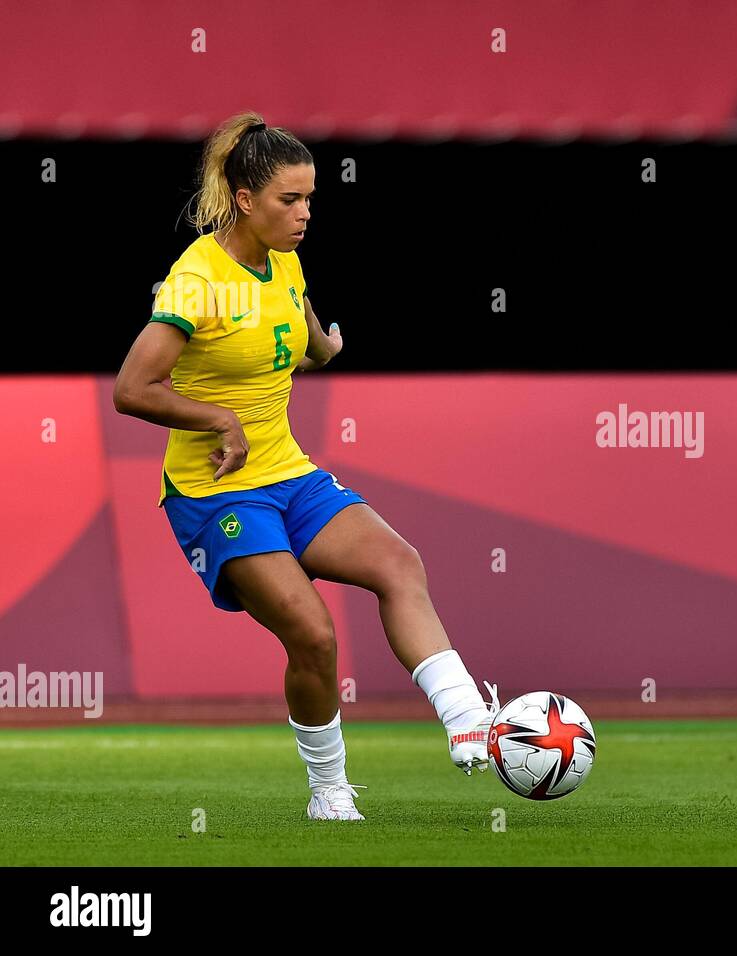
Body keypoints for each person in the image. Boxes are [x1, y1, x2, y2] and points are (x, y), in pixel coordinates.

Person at [113, 110, 498, 821]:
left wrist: (327, 347)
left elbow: (302, 332)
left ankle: (469, 718)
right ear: (246, 199)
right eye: (290, 200)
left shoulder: (284, 260)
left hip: (290, 476)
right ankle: (329, 791)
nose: (305, 213)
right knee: (314, 636)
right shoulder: (196, 281)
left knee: (399, 563)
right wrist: (219, 419)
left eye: (311, 197)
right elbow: (131, 390)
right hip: (216, 490)